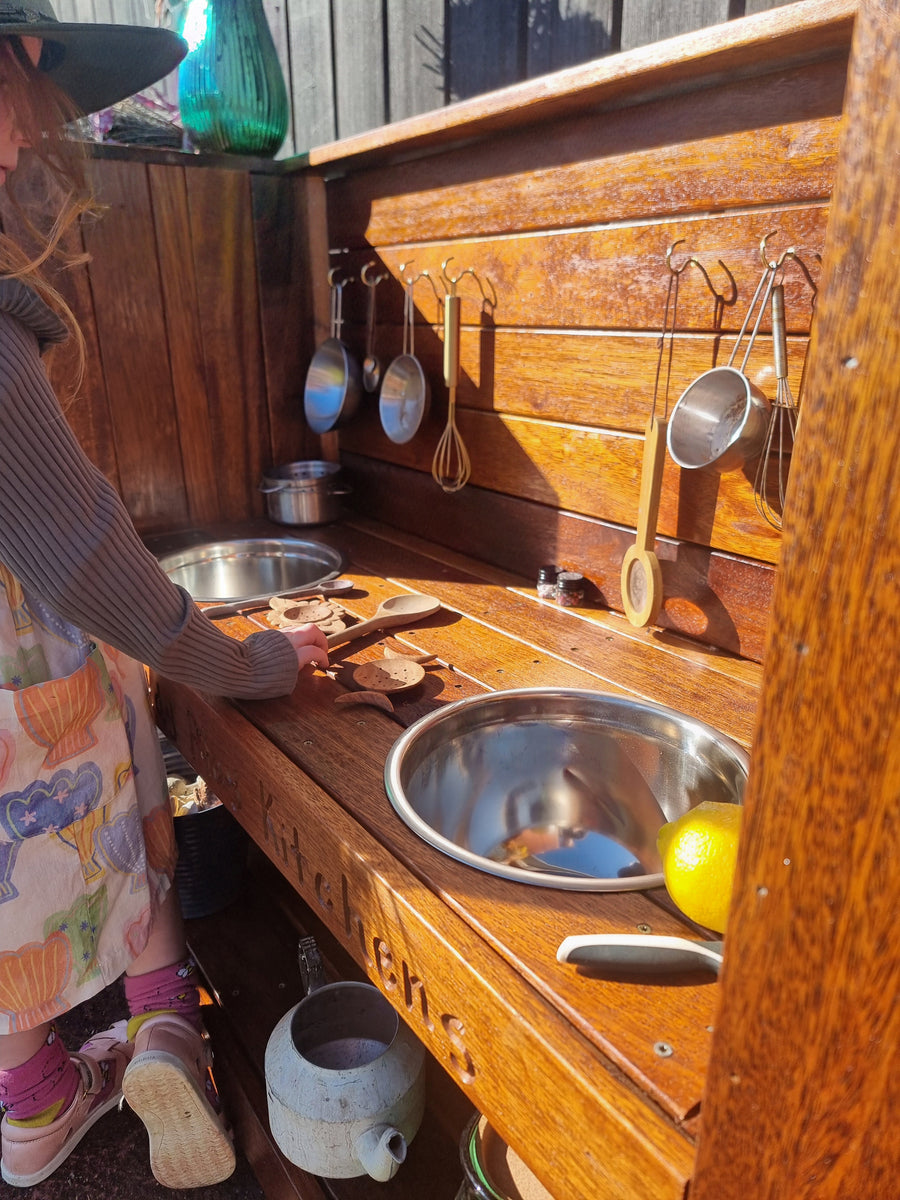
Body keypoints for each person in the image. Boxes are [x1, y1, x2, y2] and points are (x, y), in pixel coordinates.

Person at [0, 5, 329, 1189]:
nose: (19, 147)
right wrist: (255, 663)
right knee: (133, 841)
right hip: (27, 702)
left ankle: (34, 1105)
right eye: (16, 108)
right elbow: (87, 559)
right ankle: (169, 1034)